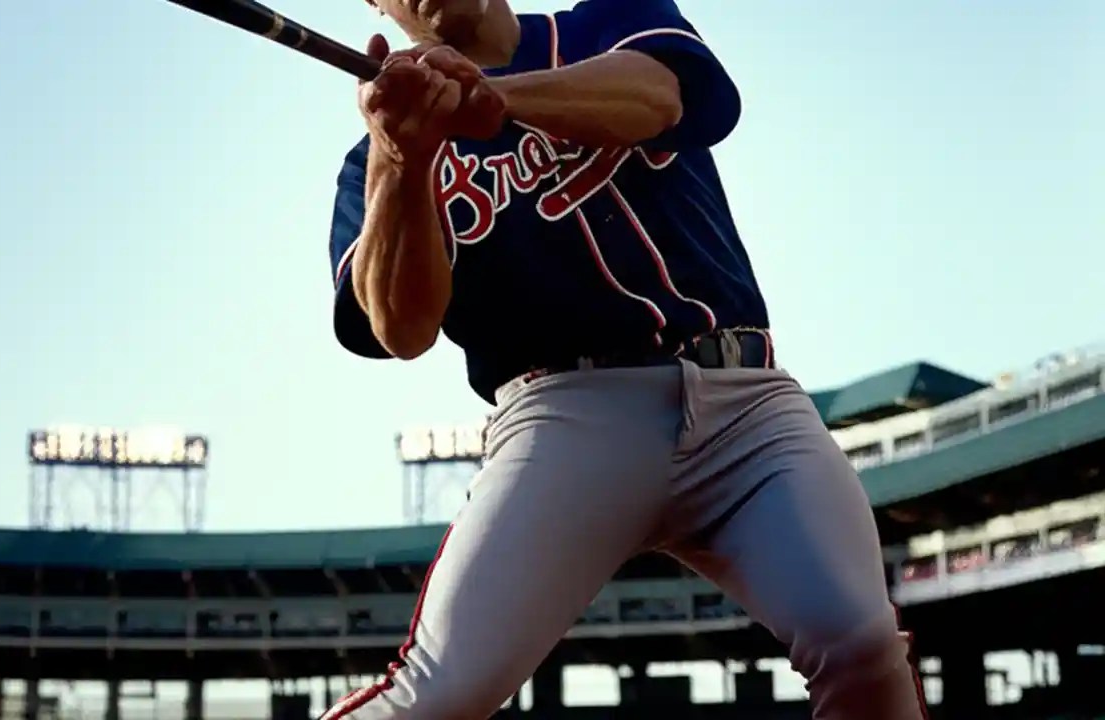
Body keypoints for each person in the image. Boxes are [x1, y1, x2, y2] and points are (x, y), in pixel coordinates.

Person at [322, 1, 929, 717]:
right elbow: (401, 328)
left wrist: (495, 98)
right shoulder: (373, 160)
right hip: (564, 423)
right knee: (440, 695)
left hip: (746, 406)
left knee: (860, 644)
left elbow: (657, 97)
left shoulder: (605, 21)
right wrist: (403, 157)